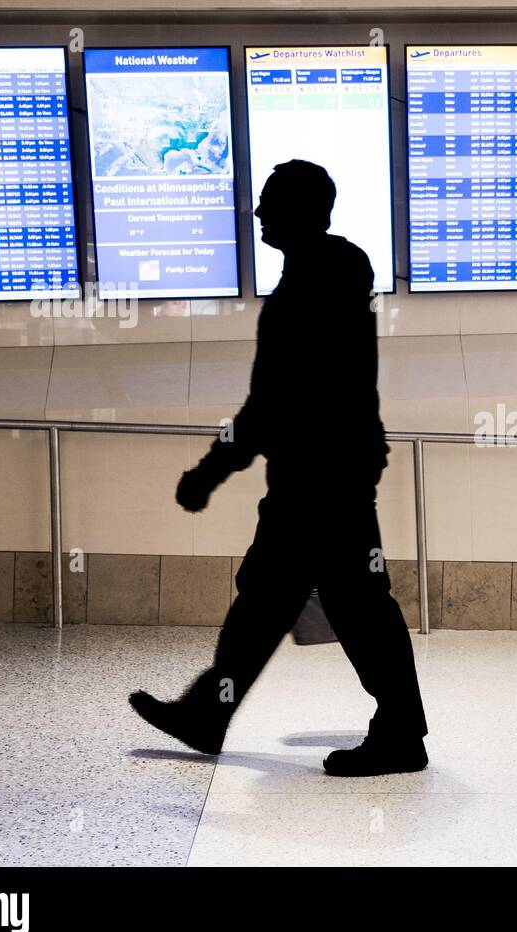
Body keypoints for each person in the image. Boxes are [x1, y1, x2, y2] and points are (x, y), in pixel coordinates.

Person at [129, 160, 428, 776]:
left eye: (268, 203)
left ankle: (400, 733)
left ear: (298, 210)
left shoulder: (308, 290)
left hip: (322, 481)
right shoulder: (332, 273)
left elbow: (268, 405)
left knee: (355, 608)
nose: (259, 213)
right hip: (324, 475)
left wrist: (209, 472)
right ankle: (208, 713)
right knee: (272, 599)